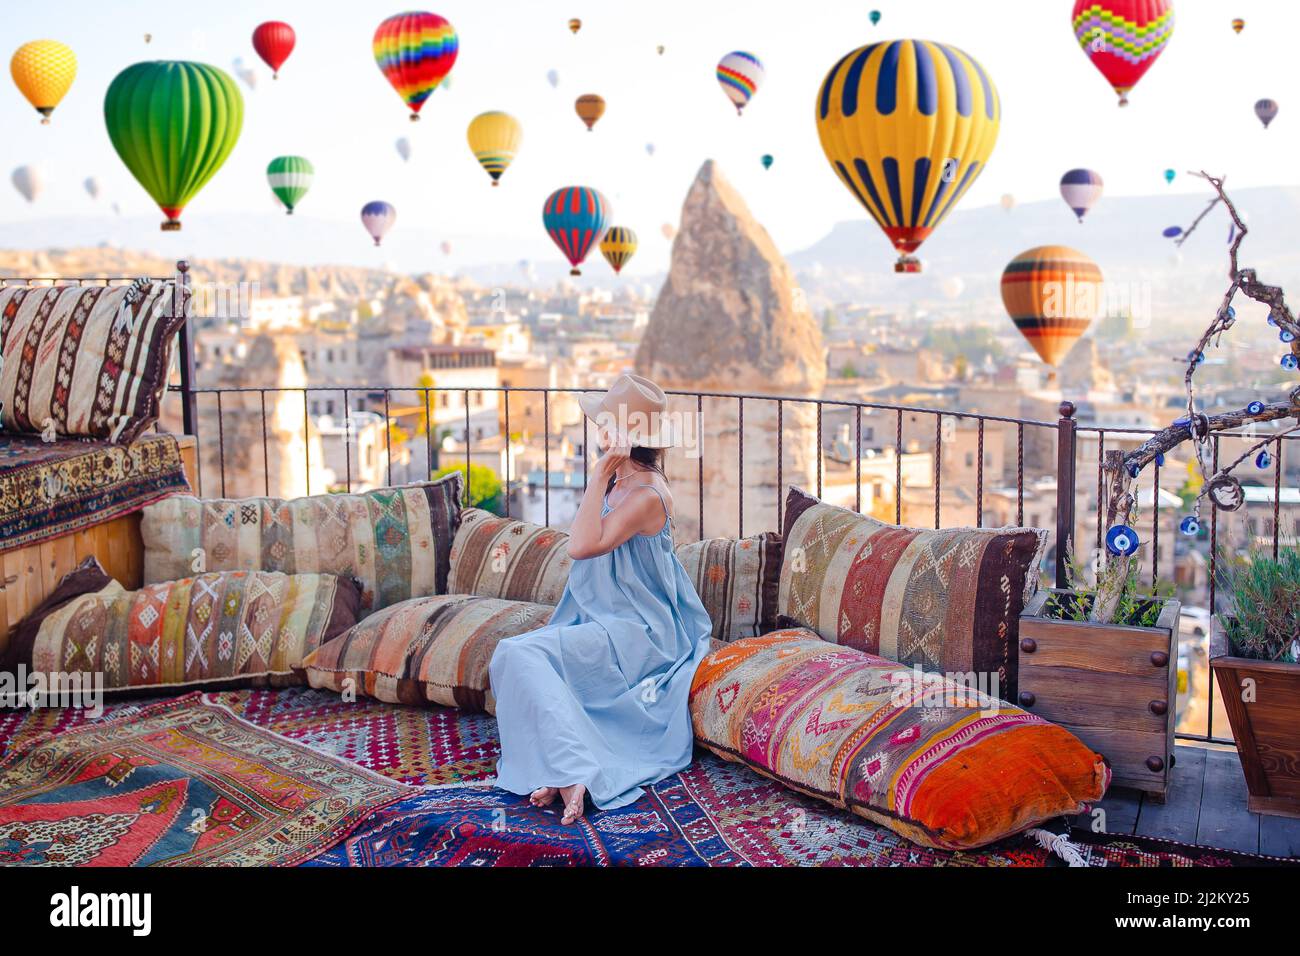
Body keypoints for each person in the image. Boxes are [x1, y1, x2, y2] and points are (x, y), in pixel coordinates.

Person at [489, 373, 713, 825]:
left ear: (630, 436)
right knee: (517, 658)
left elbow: (582, 545)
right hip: (600, 622)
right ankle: (563, 766)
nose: (599, 432)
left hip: (639, 633)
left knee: (519, 654)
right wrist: (605, 477)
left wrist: (598, 472)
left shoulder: (649, 493)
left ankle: (572, 770)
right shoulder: (619, 483)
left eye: (608, 424)